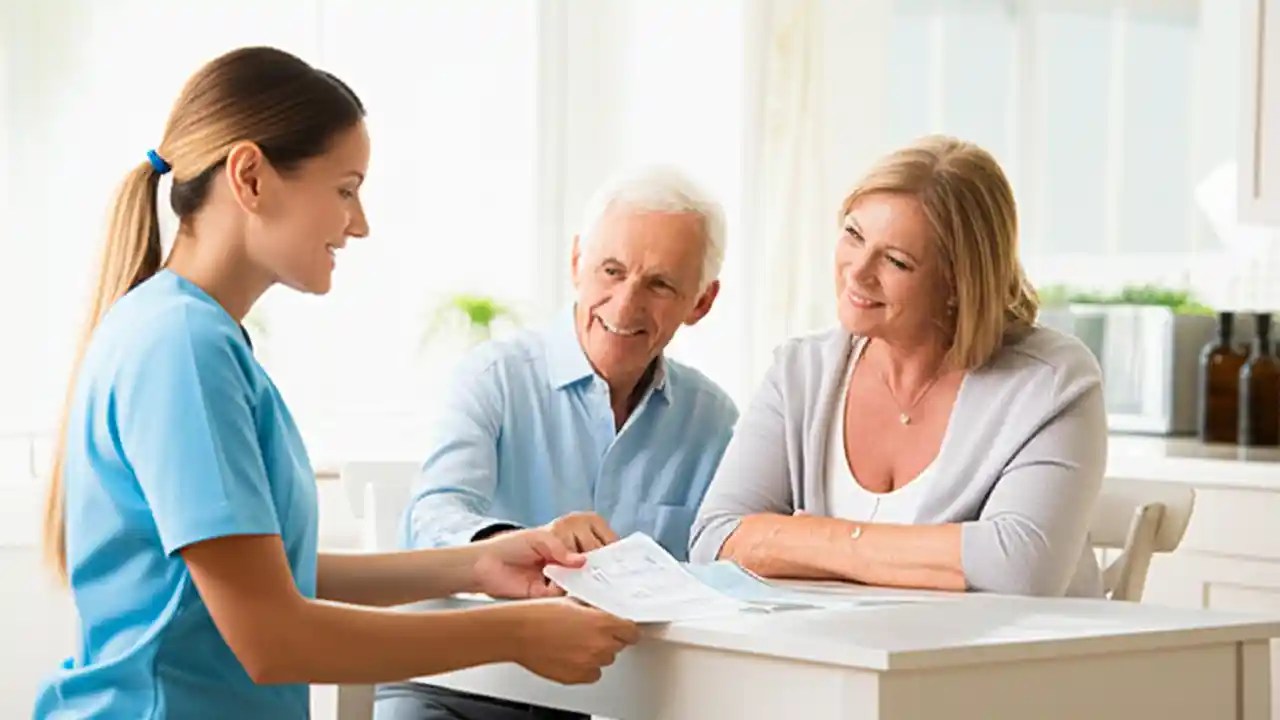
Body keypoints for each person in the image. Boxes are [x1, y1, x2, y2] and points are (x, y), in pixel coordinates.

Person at [35, 46, 637, 720]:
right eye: (345, 189)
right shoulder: (182, 346)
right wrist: (515, 635)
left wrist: (475, 564)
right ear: (251, 178)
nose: (360, 223)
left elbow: (275, 574)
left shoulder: (186, 333)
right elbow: (271, 636)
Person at [376, 166, 739, 720]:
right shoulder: (494, 377)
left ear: (701, 301)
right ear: (576, 264)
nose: (625, 304)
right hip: (458, 689)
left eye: (660, 284)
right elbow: (432, 518)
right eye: (611, 271)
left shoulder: (713, 420)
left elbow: (724, 567)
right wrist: (519, 544)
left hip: (618, 700)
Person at [689, 135, 1107, 598]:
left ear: (956, 283)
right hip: (852, 659)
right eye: (853, 234)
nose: (857, 272)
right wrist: (939, 556)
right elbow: (714, 540)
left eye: (895, 260)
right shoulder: (800, 371)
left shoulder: (1050, 381)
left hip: (1009, 667)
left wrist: (799, 539)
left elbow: (1020, 569)